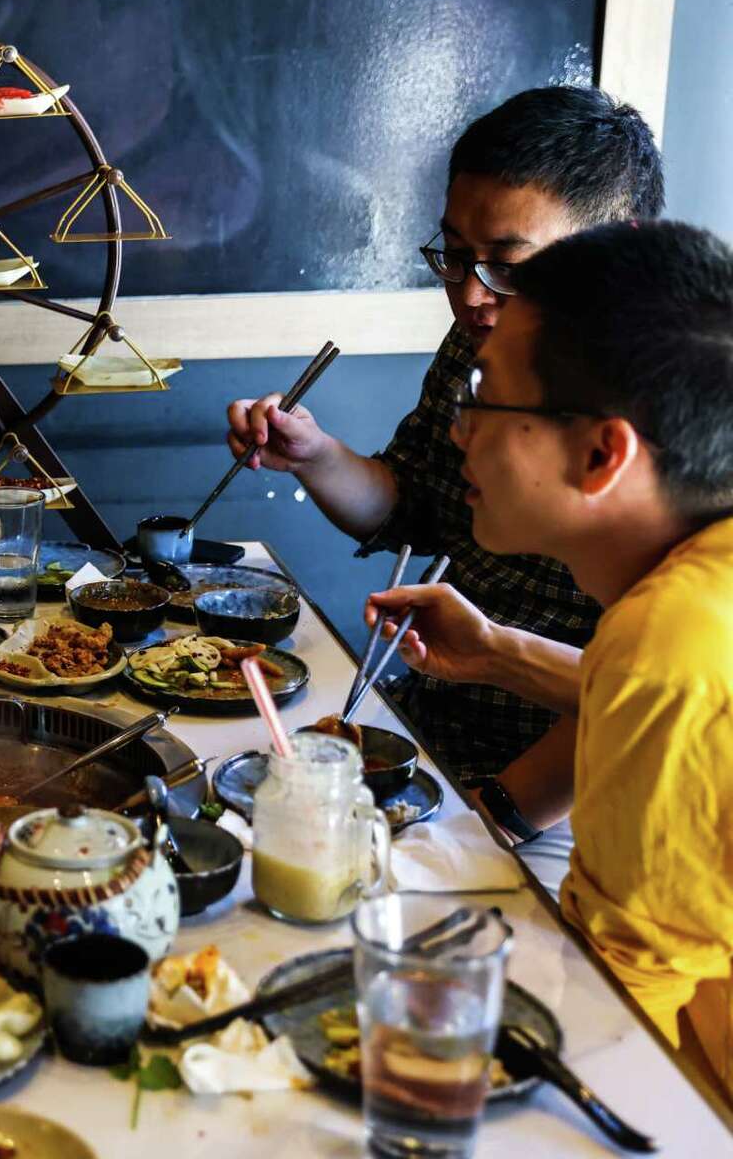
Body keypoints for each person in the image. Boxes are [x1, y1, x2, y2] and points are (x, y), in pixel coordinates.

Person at [379, 221, 733, 1093]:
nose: (458, 432)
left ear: (602, 453)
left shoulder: (671, 639)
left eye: (485, 400)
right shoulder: (695, 596)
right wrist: (500, 651)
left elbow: (624, 1012)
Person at [225, 85, 664, 787]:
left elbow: (665, 698)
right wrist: (315, 455)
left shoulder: (675, 415)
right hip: (435, 723)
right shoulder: (479, 344)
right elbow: (419, 506)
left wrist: (502, 811)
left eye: (510, 267)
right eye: (455, 255)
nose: (470, 293)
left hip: (585, 785)